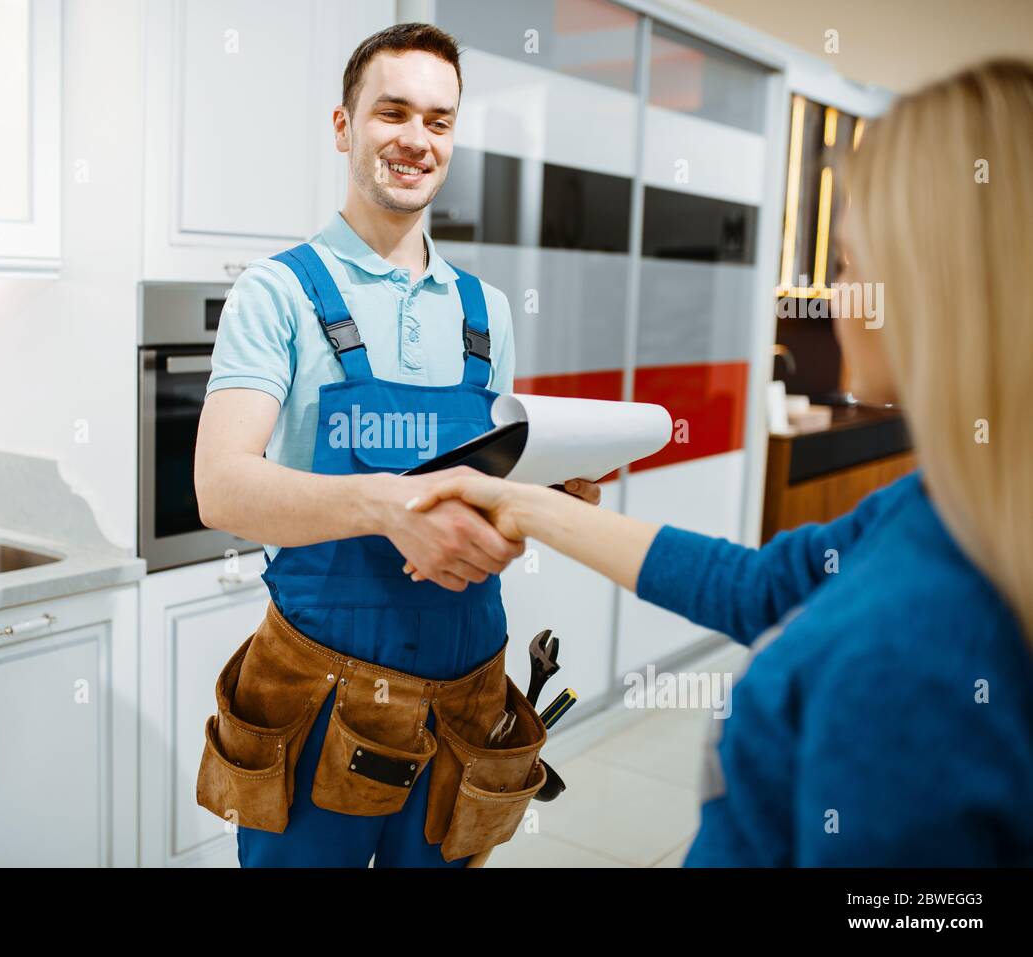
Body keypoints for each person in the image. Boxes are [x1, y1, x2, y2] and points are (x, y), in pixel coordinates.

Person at [406, 59, 1033, 866]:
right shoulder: (940, 510)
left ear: (929, 288)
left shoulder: (909, 658)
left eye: (844, 264)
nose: (834, 297)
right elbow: (760, 586)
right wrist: (524, 503)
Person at [194, 23, 598, 868]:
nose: (418, 138)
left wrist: (541, 500)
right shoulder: (278, 293)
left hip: (467, 697)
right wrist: (386, 503)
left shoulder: (486, 311)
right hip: (315, 702)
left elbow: (484, 488)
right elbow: (221, 487)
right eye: (393, 112)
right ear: (344, 126)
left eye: (440, 120)